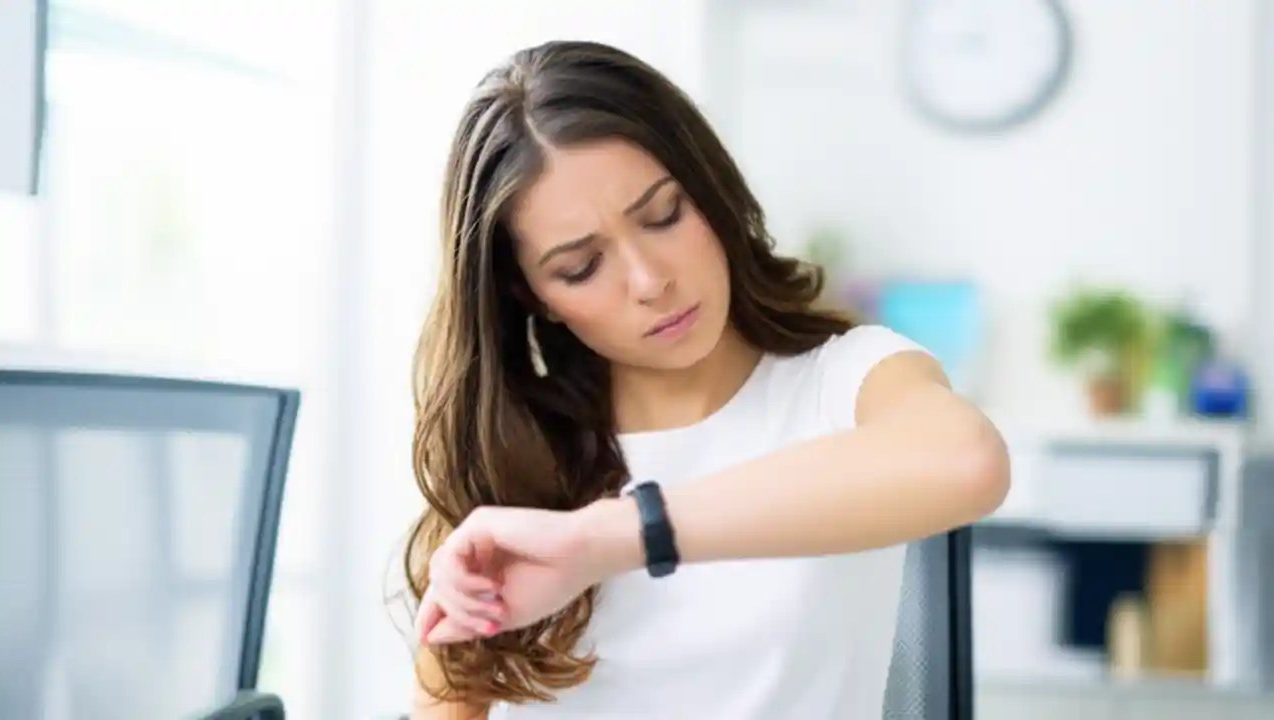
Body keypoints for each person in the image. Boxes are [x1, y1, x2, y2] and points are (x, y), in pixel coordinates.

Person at [404, 39, 1010, 720]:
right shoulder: (511, 461)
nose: (650, 280)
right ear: (532, 294)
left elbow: (967, 463)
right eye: (580, 267)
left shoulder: (847, 380)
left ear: (708, 188)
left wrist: (607, 539)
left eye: (664, 215)